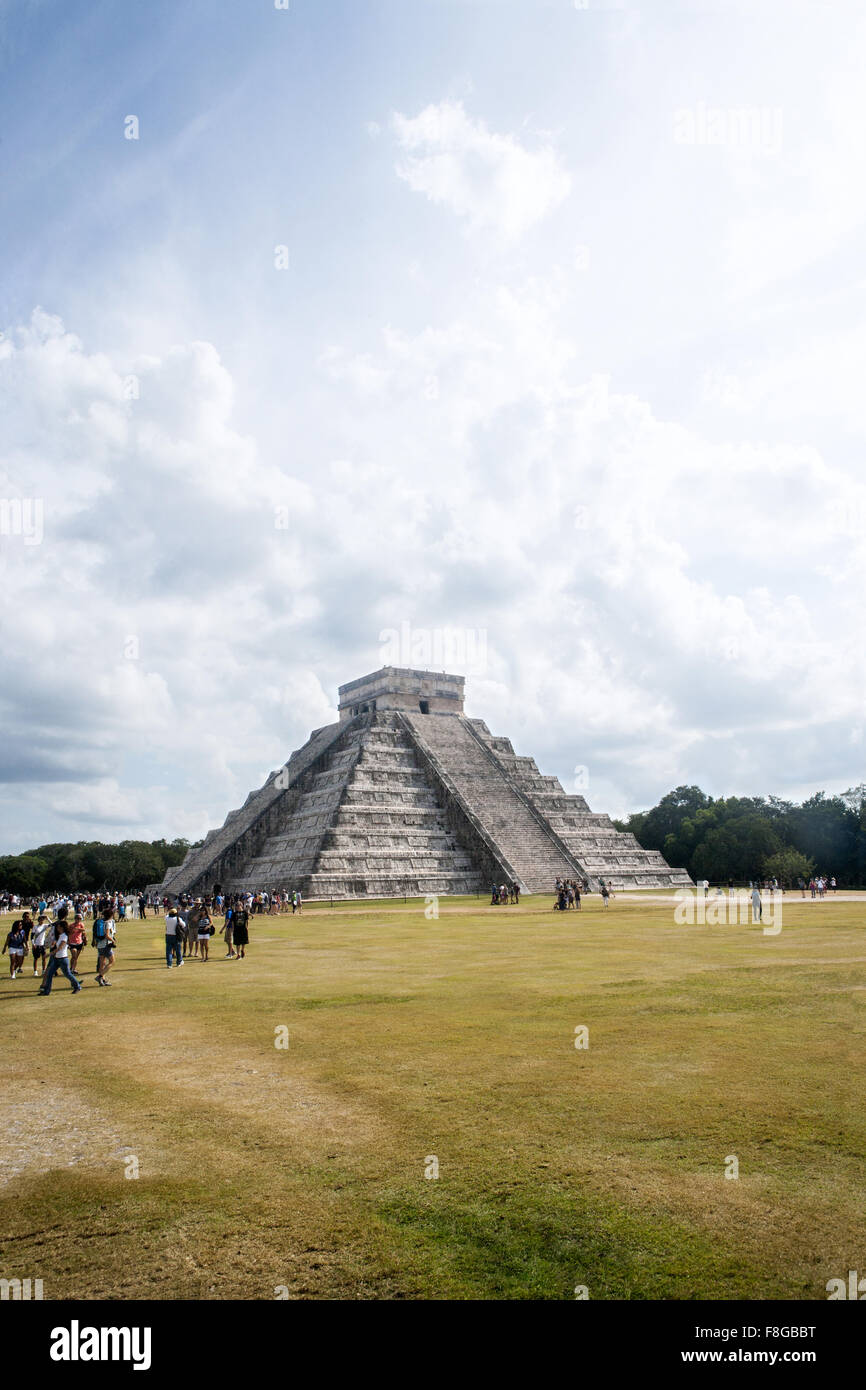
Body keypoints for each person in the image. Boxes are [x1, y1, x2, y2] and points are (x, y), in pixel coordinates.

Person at [38, 919, 82, 995]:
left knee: (67, 974)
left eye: (58, 927)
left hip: (63, 959)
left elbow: (60, 948)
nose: (57, 928)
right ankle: (46, 991)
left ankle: (77, 986)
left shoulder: (64, 936)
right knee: (49, 974)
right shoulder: (60, 936)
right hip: (57, 959)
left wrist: (49, 954)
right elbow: (57, 946)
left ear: (62, 928)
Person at [95, 910, 116, 986]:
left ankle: (102, 980)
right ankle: (100, 976)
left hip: (100, 945)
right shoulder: (108, 923)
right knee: (112, 961)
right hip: (105, 945)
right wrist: (113, 940)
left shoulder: (102, 922)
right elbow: (107, 935)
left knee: (102, 964)